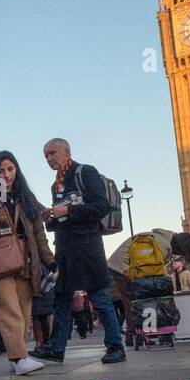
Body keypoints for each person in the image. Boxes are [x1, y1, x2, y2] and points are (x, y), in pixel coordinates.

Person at [31, 139, 126, 364]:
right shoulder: (56, 185)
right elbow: (61, 219)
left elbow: (101, 206)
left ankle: (115, 346)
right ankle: (56, 347)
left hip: (87, 246)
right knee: (60, 299)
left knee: (99, 296)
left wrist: (68, 210)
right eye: (45, 156)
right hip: (65, 248)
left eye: (52, 153)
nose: (49, 159)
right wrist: (50, 218)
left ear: (66, 151)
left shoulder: (85, 172)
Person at [0, 150, 56, 376]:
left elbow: (39, 234)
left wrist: (50, 261)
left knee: (25, 312)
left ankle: (16, 357)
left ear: (17, 170)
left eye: (10, 169)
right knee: (9, 310)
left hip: (26, 260)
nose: (6, 175)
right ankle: (20, 357)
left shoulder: (26, 198)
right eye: (0, 171)